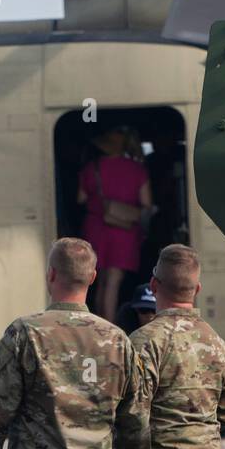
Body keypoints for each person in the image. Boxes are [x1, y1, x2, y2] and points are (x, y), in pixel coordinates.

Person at [0, 238, 146, 449]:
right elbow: (135, 424)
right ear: (93, 277)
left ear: (51, 274)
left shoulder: (24, 334)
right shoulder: (118, 340)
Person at [121, 244, 225, 449]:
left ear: (154, 285)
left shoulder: (144, 342)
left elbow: (132, 418)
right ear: (196, 289)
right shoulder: (217, 343)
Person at [78, 126, 152, 324]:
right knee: (114, 282)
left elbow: (81, 198)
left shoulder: (91, 168)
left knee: (100, 281)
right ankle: (110, 327)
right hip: (124, 230)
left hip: (95, 227)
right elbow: (146, 203)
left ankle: (100, 324)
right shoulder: (137, 170)